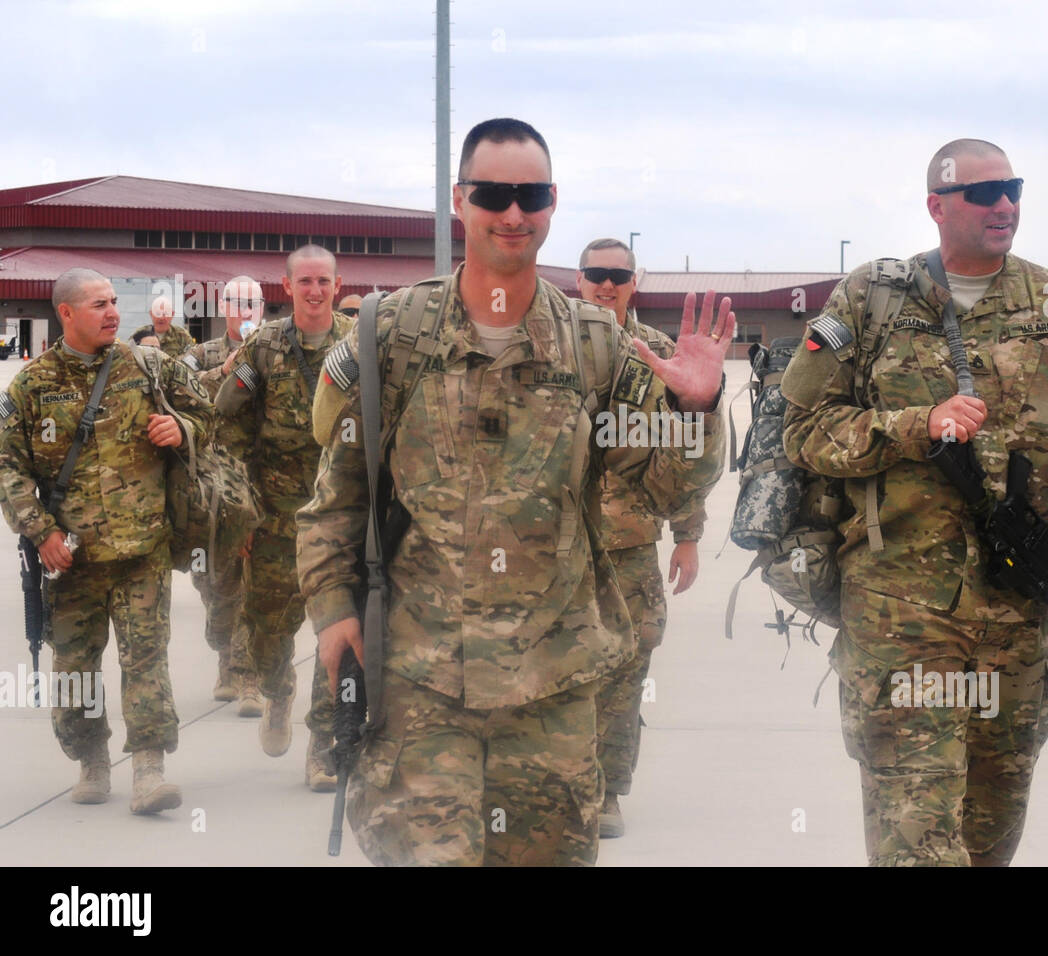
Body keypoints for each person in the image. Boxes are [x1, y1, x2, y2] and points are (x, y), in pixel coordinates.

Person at [298, 117, 728, 866]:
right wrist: (333, 612)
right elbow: (336, 495)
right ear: (460, 200)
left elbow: (662, 486)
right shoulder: (391, 335)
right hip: (420, 680)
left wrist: (695, 412)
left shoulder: (596, 347)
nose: (513, 213)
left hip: (552, 684)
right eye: (494, 193)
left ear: (553, 202)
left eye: (530, 194)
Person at [781, 138, 1048, 866]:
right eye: (984, 192)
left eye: (1014, 188)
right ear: (937, 207)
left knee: (988, 835)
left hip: (1018, 615)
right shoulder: (872, 299)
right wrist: (914, 426)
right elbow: (805, 433)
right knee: (918, 838)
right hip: (900, 613)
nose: (1005, 204)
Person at [0, 268, 212, 813]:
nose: (113, 311)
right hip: (71, 560)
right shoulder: (30, 385)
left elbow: (206, 412)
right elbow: (9, 467)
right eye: (98, 304)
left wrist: (180, 429)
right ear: (65, 313)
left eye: (114, 301)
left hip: (143, 550)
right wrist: (39, 531)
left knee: (147, 659)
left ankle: (148, 769)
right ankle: (91, 760)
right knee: (74, 668)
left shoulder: (148, 365)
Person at [574, 237, 706, 839]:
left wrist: (688, 534)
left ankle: (606, 790)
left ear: (634, 282)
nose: (606, 284)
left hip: (629, 541)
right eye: (596, 274)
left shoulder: (658, 355)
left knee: (627, 669)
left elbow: (684, 451)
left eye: (618, 275)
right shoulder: (552, 344)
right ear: (579, 279)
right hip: (555, 542)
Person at [214, 247, 353, 791]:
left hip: (340, 518)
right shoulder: (264, 346)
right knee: (267, 632)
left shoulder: (360, 344)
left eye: (323, 281)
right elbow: (227, 426)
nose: (314, 290)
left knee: (337, 633)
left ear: (337, 286)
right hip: (272, 518)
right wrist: (240, 513)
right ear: (286, 285)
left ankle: (324, 744)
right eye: (305, 281)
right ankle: (276, 691)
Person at [182, 275, 264, 716]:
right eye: (238, 303)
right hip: (213, 490)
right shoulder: (199, 355)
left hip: (261, 483)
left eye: (254, 303)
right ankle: (224, 654)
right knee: (217, 589)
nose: (247, 312)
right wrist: (227, 370)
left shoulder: (272, 349)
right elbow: (185, 398)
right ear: (225, 308)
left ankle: (246, 678)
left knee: (253, 587)